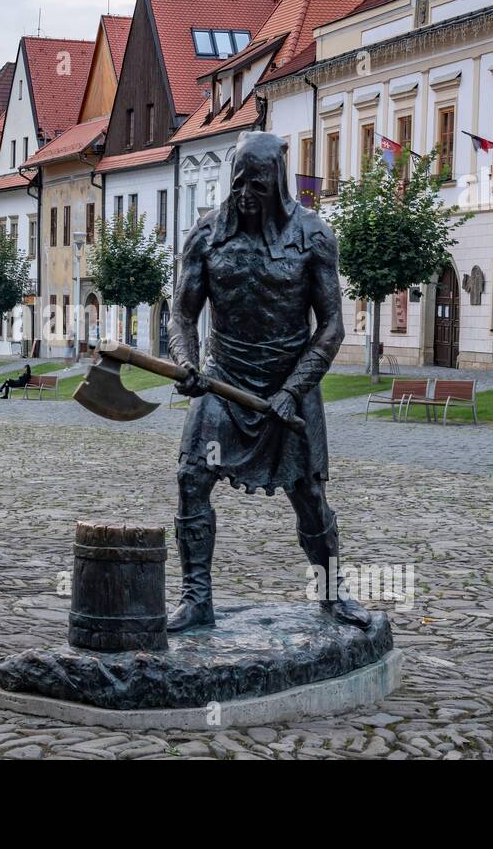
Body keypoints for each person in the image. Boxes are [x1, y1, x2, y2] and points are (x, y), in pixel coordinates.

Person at [168, 131, 370, 633]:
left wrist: (291, 390)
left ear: (277, 185)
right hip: (225, 381)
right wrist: (186, 363)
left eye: (256, 186)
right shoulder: (207, 236)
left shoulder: (314, 236)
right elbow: (182, 314)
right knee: (192, 478)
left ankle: (330, 595)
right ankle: (196, 600)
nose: (245, 195)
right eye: (239, 183)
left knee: (309, 496)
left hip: (289, 388)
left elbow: (331, 327)